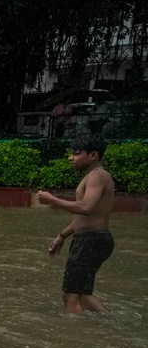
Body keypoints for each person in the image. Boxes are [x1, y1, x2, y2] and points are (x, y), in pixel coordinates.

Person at [37, 133, 116, 314]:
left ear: (93, 155)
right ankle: (110, 322)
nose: (70, 158)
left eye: (76, 153)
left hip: (90, 241)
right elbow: (87, 216)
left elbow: (86, 208)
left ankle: (74, 330)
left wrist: (51, 199)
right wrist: (62, 235)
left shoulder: (97, 176)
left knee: (70, 296)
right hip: (94, 239)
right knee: (82, 294)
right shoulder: (95, 176)